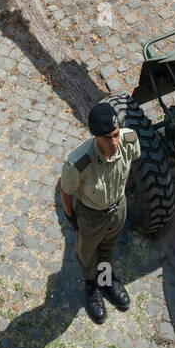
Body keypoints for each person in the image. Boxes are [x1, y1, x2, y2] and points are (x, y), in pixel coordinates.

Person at [59, 101, 140, 323]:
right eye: (107, 138)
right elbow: (66, 190)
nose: (114, 142)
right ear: (95, 136)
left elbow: (131, 162)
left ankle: (105, 281)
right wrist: (70, 216)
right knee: (87, 255)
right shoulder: (79, 163)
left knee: (107, 249)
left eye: (115, 134)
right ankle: (92, 286)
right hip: (91, 215)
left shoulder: (129, 139)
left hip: (118, 208)